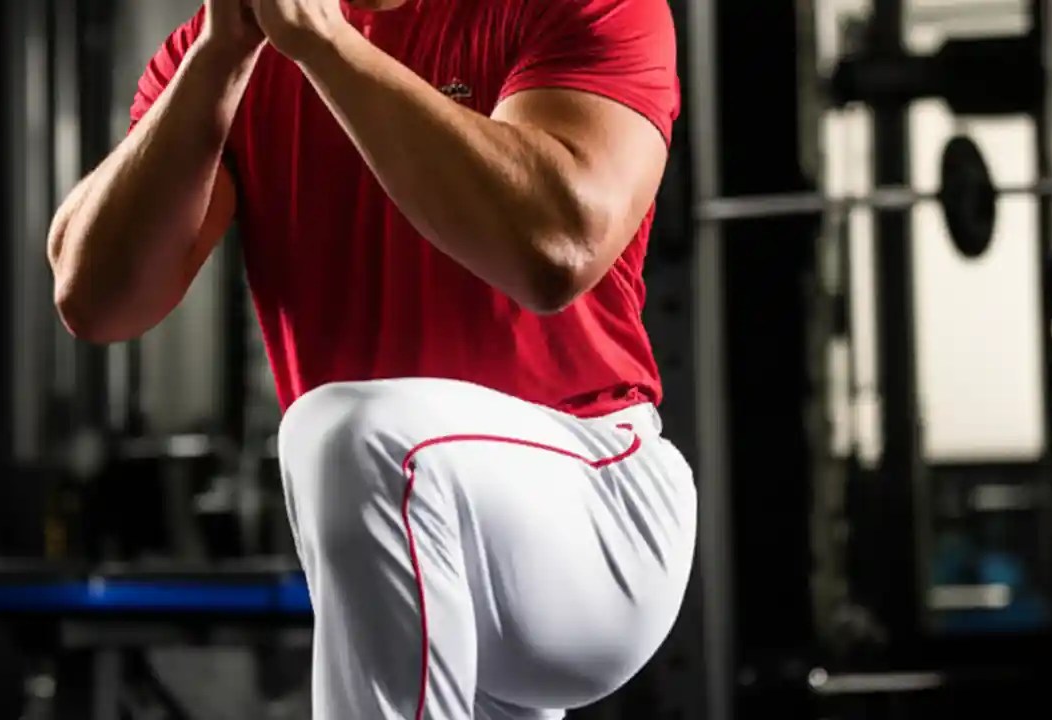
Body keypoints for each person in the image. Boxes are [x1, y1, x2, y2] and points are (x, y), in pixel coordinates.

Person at [46, 0, 695, 717]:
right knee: (360, 443)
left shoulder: (584, 6)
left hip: (592, 510)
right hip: (411, 543)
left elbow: (556, 247)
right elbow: (96, 303)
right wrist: (218, 57)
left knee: (351, 432)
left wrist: (325, 45)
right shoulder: (221, 48)